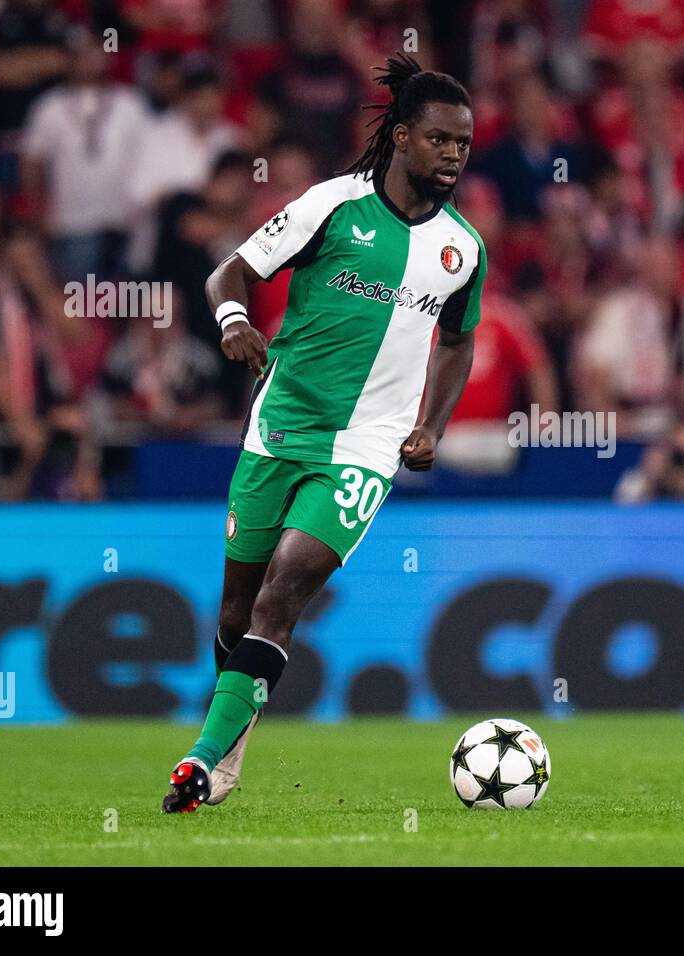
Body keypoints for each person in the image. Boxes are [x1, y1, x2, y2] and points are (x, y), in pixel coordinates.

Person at [161, 54, 485, 812]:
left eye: (463, 146)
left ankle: (200, 762)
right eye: (439, 140)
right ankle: (229, 749)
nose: (452, 156)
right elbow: (227, 274)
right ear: (401, 137)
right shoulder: (332, 207)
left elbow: (460, 340)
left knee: (285, 591)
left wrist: (430, 426)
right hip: (278, 430)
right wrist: (235, 321)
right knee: (236, 613)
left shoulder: (462, 249)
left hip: (366, 448)